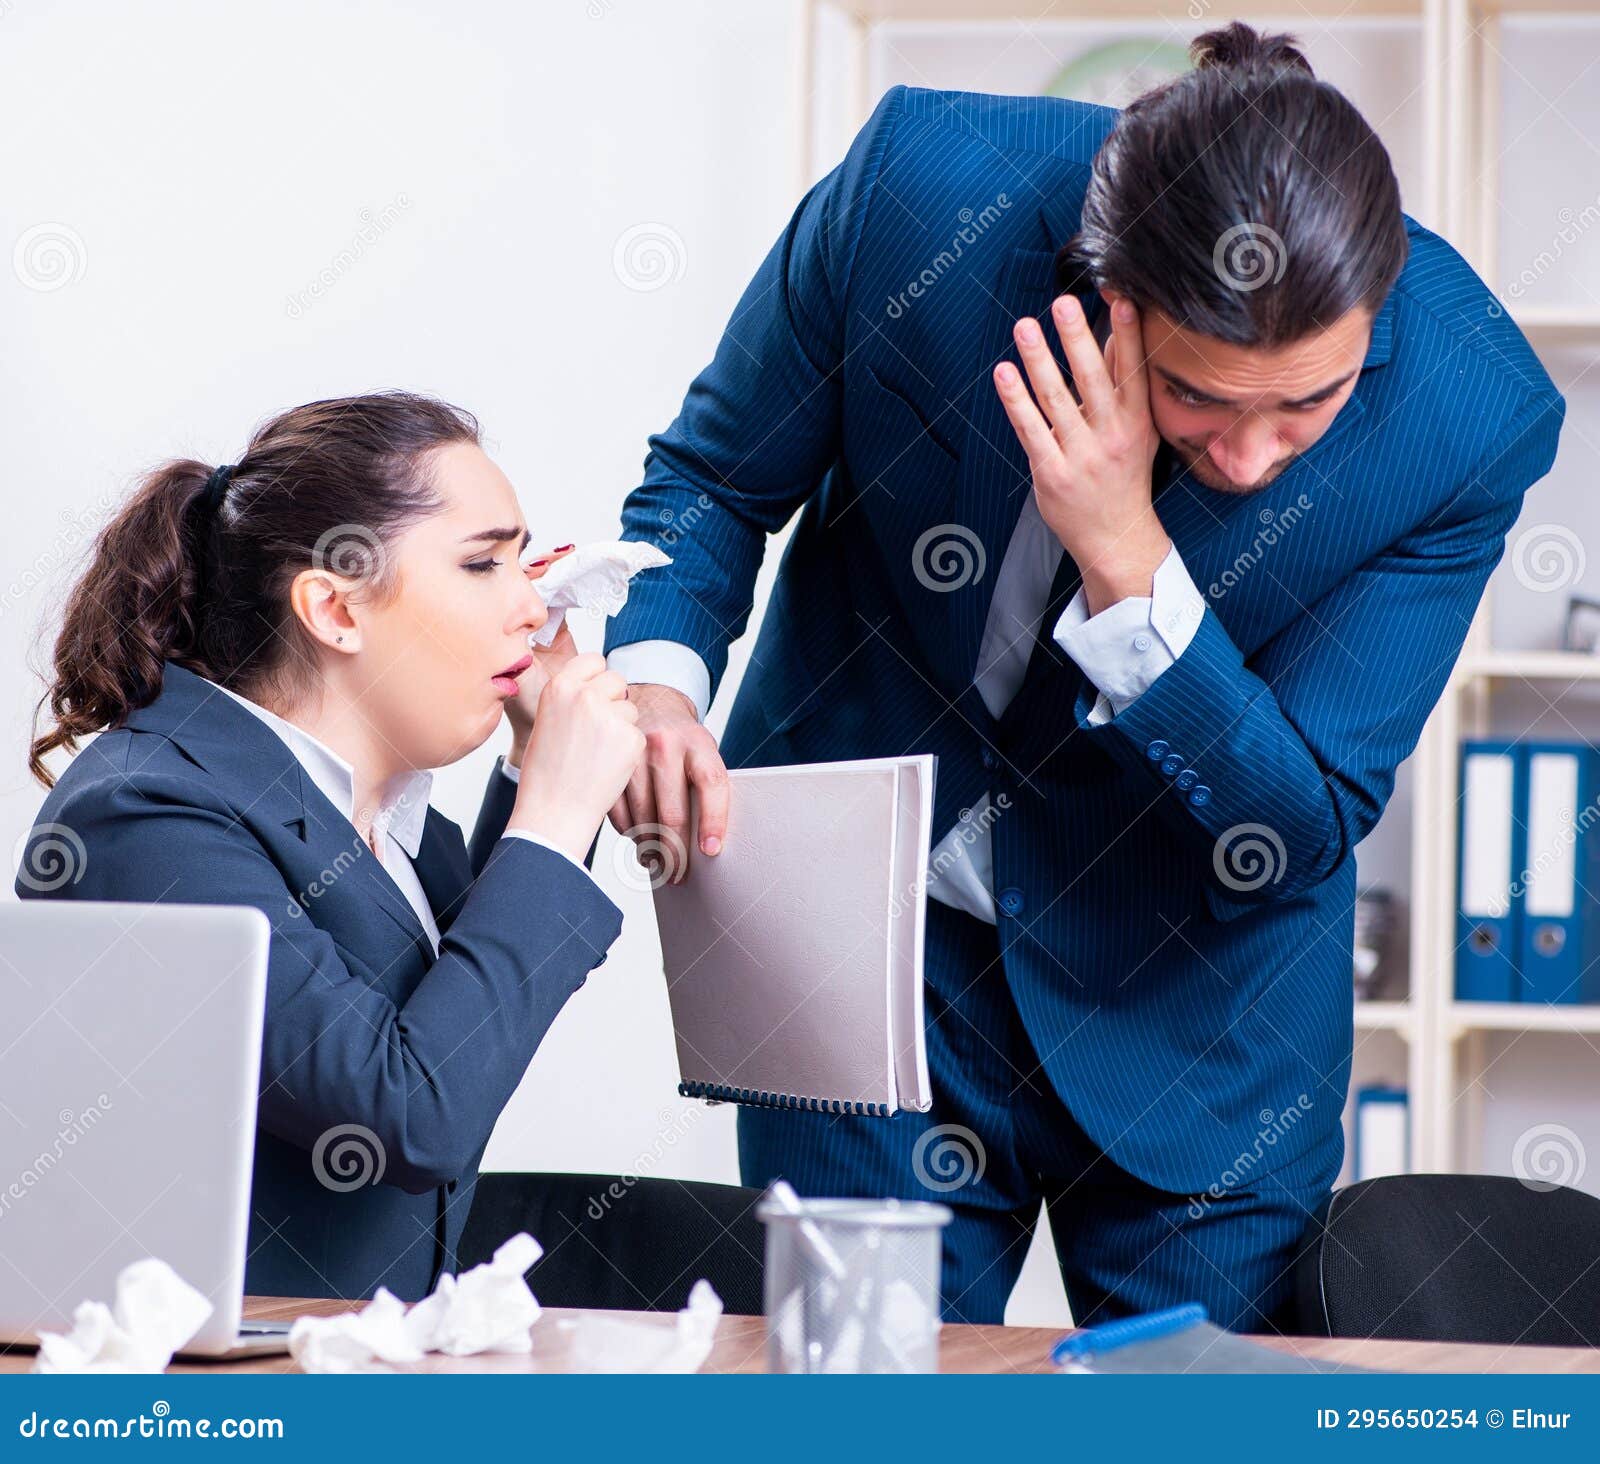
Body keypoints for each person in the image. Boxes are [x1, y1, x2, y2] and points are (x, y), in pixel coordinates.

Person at [600, 23, 1567, 1328]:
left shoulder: (1467, 412)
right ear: (1111, 292)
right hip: (858, 959)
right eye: (1201, 400)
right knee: (859, 1419)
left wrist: (1131, 562)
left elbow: (1299, 819)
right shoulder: (917, 194)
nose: (1250, 457)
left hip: (1197, 1026)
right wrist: (657, 685)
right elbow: (713, 479)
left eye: (1308, 406)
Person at [19, 391, 646, 1301]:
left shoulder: (383, 814)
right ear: (335, 610)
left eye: (525, 561)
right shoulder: (144, 815)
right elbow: (410, 1111)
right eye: (482, 565)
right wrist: (551, 818)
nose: (535, 607)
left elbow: (454, 1028)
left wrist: (535, 770)